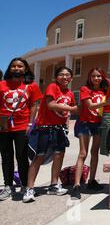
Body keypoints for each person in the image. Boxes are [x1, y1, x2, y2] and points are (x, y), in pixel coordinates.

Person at [23, 66, 78, 203]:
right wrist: (72, 108)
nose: (65, 77)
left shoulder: (70, 93)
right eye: (61, 74)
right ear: (56, 77)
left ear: (71, 78)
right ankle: (29, 188)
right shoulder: (52, 87)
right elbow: (51, 105)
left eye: (67, 75)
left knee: (59, 155)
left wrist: (66, 124)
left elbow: (67, 113)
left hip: (59, 129)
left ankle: (54, 185)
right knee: (38, 157)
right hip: (44, 128)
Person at [0, 58, 42, 201]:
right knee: (6, 157)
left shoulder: (32, 86)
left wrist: (31, 124)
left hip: (23, 125)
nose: (17, 68)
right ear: (9, 68)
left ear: (25, 69)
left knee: (22, 156)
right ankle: (8, 186)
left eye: (20, 66)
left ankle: (25, 185)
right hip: (4, 126)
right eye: (14, 66)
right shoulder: (2, 85)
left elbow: (34, 105)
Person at [70, 68, 109, 200]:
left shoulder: (104, 90)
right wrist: (108, 101)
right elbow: (91, 106)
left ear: (102, 77)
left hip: (98, 124)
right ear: (89, 77)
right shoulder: (84, 89)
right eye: (93, 76)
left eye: (99, 76)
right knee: (83, 153)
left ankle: (91, 180)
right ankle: (76, 185)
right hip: (85, 122)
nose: (96, 78)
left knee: (94, 152)